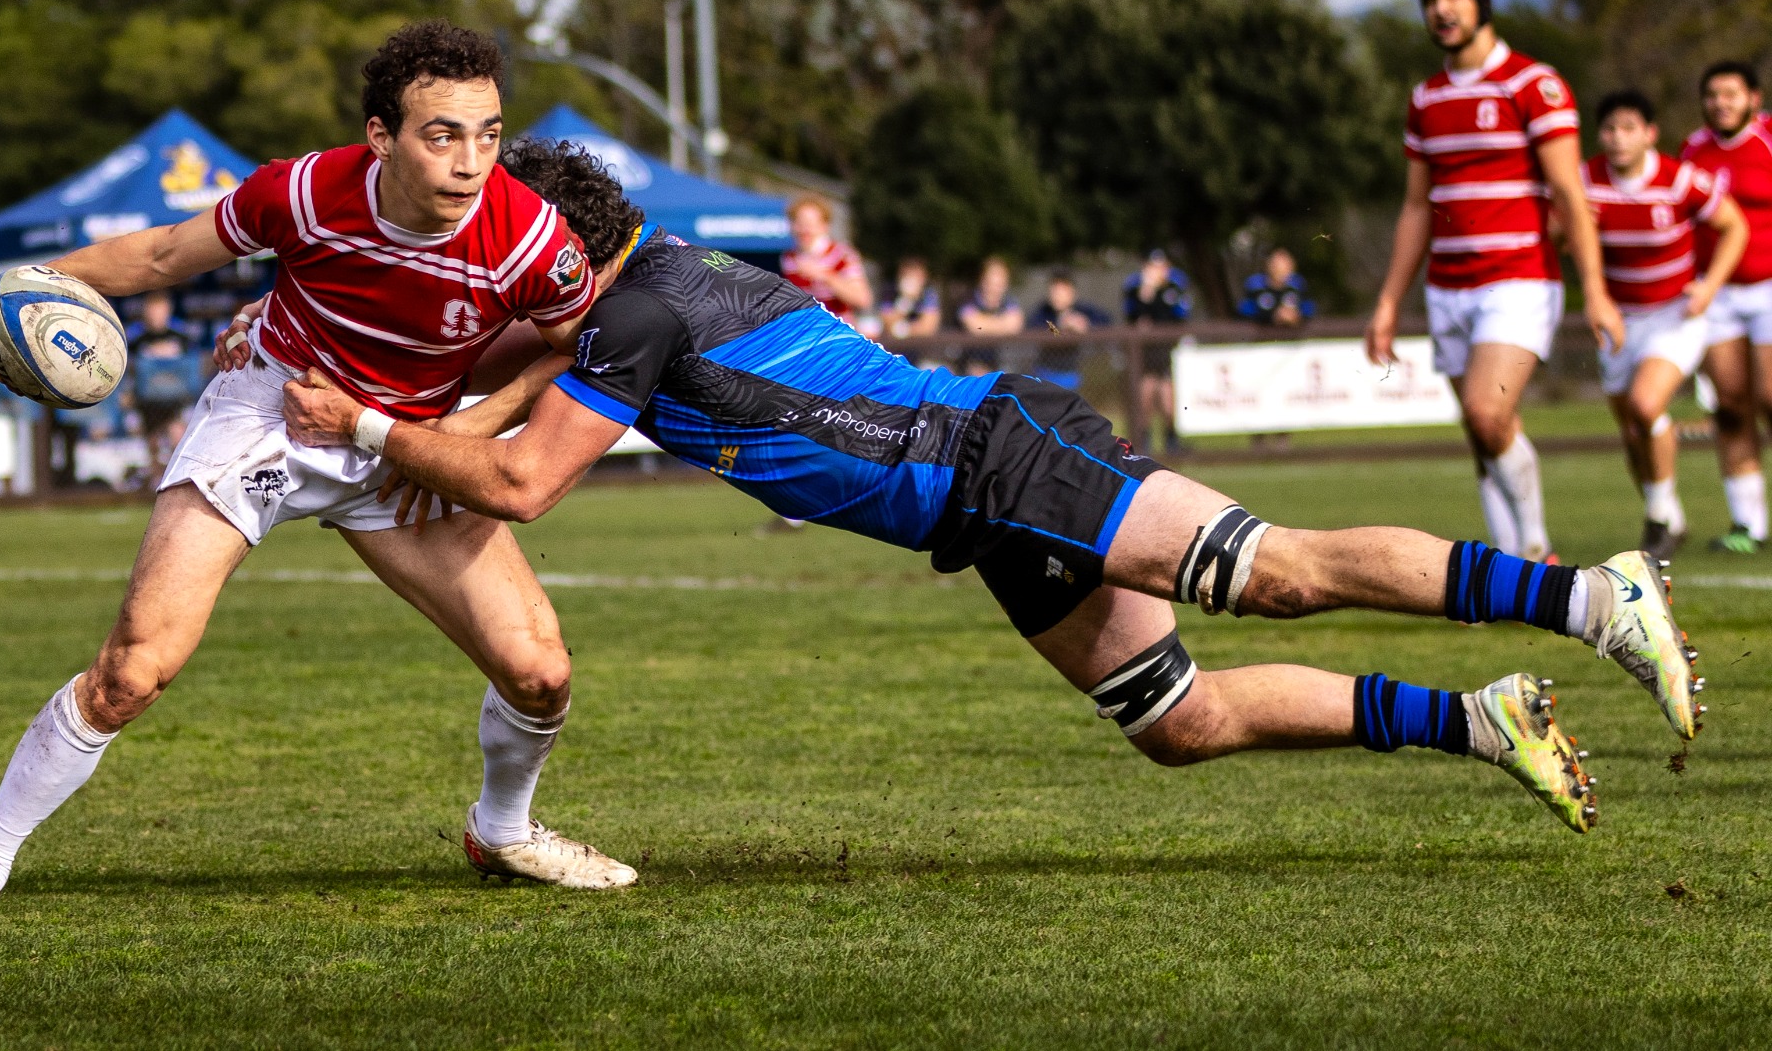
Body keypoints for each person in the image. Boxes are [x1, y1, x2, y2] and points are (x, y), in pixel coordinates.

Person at [282, 147, 1708, 839]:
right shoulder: (644, 286)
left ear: (549, 243)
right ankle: (1478, 719)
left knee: (1274, 566)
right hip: (981, 506)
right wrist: (453, 402)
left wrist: (373, 423)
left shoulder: (631, 318)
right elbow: (536, 360)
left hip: (1002, 456)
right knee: (1183, 723)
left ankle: (1589, 594)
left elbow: (523, 486)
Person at [0, 20, 635, 920]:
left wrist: (472, 421)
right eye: (441, 134)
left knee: (540, 673)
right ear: (382, 137)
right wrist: (33, 281)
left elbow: (578, 344)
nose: (471, 160)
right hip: (270, 418)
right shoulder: (303, 192)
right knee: (134, 670)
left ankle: (504, 830)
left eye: (487, 133)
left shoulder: (529, 240)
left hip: (395, 452)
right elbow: (167, 254)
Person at [1365, 0, 1623, 563]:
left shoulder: (1534, 84)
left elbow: (1568, 194)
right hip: (1448, 287)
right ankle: (1510, 570)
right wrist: (1387, 302)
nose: (1442, 9)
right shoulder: (1426, 97)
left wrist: (1597, 289)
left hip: (1519, 280)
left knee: (1488, 411)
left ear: (1482, 5)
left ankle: (1537, 552)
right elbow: (1415, 207)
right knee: (1481, 433)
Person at [1586, 90, 1748, 558]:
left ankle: (1658, 520)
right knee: (1633, 433)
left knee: (1645, 403)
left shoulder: (1680, 180)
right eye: (1610, 129)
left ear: (1650, 134)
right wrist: (1570, 222)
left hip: (1673, 315)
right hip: (1618, 320)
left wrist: (1710, 286)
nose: (1618, 139)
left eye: (1628, 128)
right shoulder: (1585, 181)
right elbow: (1558, 235)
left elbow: (1735, 226)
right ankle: (1669, 515)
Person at [1680, 60, 1772, 553]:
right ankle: (1748, 527)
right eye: (1712, 94)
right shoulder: (1693, 151)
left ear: (1754, 99)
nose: (1721, 102)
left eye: (1731, 94)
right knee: (1731, 406)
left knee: (1771, 397)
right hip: (1715, 295)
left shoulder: (1767, 139)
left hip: (1768, 287)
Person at [1123, 250, 1190, 454]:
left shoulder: (1174, 287)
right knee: (1146, 395)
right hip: (1146, 351)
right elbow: (1133, 316)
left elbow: (1179, 314)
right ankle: (1144, 441)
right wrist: (1146, 294)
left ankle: (1172, 440)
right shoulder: (1135, 288)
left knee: (1168, 398)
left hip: (1168, 349)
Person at [126, 290, 200, 475]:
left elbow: (190, 369)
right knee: (153, 444)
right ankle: (156, 480)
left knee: (177, 438)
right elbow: (129, 370)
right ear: (146, 311)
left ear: (168, 310)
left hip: (175, 400)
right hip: (147, 401)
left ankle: (178, 476)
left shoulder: (181, 337)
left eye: (160, 309)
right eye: (152, 309)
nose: (156, 314)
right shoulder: (136, 340)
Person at [780, 195, 873, 327]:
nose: (805, 230)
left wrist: (825, 276)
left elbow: (862, 299)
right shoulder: (789, 259)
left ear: (824, 226)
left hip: (837, 334)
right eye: (800, 223)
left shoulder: (842, 255)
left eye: (810, 224)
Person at [1032, 269, 1109, 388]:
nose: (1057, 295)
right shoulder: (1043, 312)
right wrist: (1059, 327)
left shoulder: (1083, 310)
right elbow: (1034, 327)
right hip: (1045, 373)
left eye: (1062, 291)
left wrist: (1084, 324)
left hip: (1073, 373)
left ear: (1072, 293)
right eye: (1054, 291)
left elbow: (1105, 321)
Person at [957, 255, 1024, 374]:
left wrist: (986, 323)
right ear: (982, 281)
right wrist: (1002, 324)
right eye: (990, 283)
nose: (994, 289)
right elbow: (975, 327)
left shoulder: (1009, 301)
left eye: (999, 284)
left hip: (1002, 365)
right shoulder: (967, 300)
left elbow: (1015, 325)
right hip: (969, 367)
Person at [1238, 249, 1314, 327]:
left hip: (1293, 334)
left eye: (1285, 267)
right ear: (1268, 266)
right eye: (1276, 266)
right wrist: (1272, 316)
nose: (1280, 271)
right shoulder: (1256, 285)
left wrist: (1297, 315)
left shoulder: (1298, 285)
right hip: (1261, 334)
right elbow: (1244, 309)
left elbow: (1309, 307)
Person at [878, 256, 942, 339]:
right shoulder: (890, 294)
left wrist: (902, 330)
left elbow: (928, 328)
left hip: (921, 348)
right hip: (893, 348)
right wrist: (906, 300)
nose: (911, 280)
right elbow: (887, 324)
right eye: (907, 275)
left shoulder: (929, 294)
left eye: (915, 275)